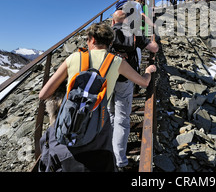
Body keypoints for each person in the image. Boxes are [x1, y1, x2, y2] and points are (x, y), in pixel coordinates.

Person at [38, 23, 156, 172]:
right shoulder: (117, 61)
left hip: (68, 123)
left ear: (92, 40)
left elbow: (43, 94)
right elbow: (144, 82)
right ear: (110, 43)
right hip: (99, 124)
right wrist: (148, 71)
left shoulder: (74, 57)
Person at [109, 10, 159, 170]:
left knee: (110, 114)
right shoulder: (133, 33)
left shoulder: (107, 34)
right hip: (126, 78)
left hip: (107, 79)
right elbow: (154, 48)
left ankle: (109, 150)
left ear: (112, 22)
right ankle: (120, 160)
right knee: (122, 119)